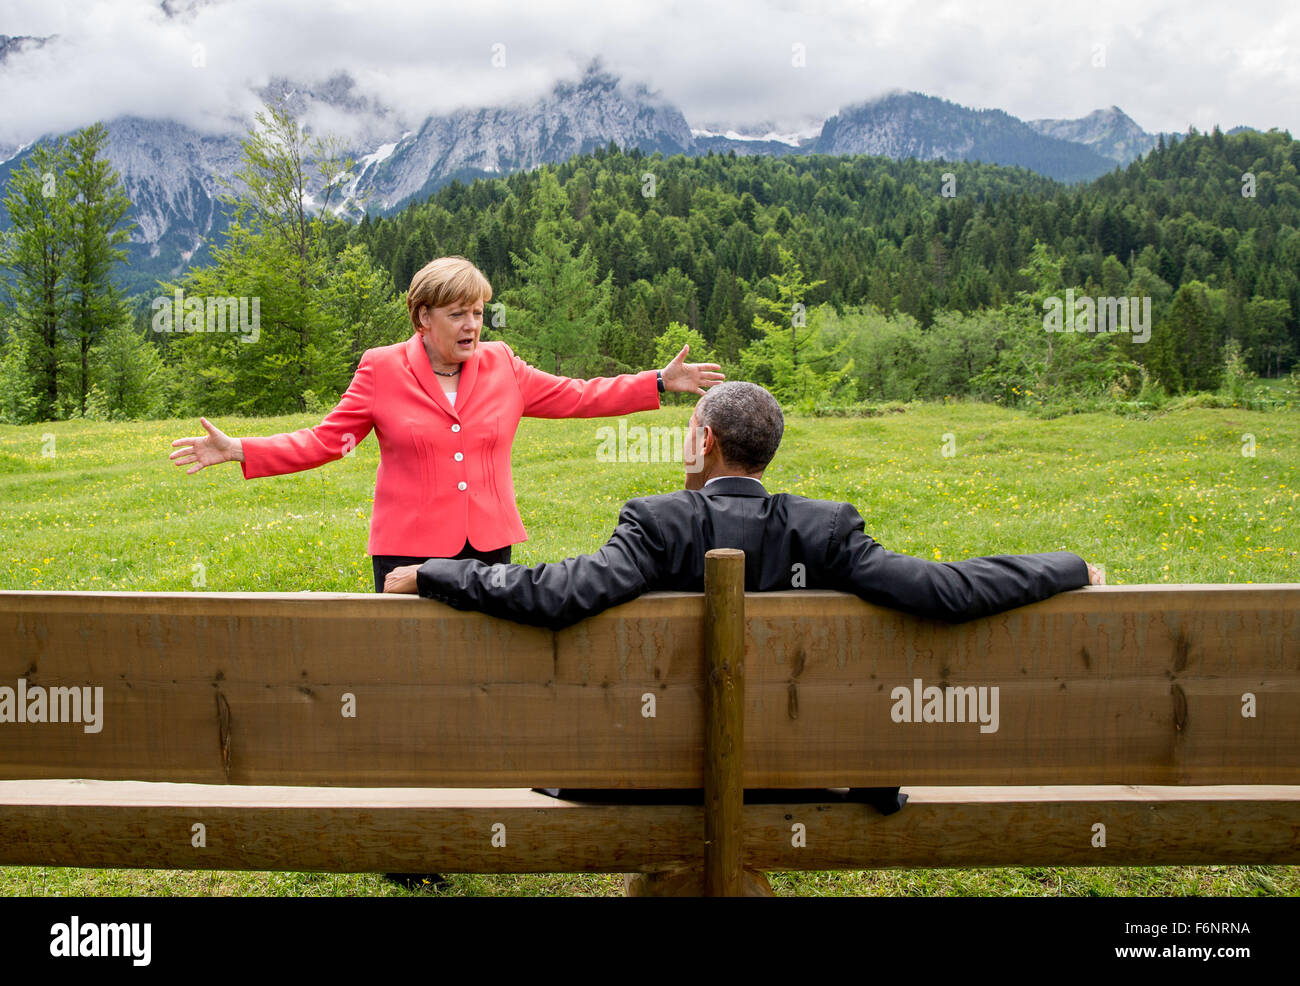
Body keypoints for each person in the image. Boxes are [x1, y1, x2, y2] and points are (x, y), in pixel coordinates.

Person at [384, 380, 1104, 818]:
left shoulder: (657, 523)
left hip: (653, 779)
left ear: (705, 440)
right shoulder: (826, 529)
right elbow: (947, 590)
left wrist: (437, 573)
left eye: (688, 435)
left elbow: (557, 595)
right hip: (805, 775)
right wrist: (1068, 566)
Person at [168, 255, 724, 594]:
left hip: (488, 545)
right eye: (458, 314)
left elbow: (576, 396)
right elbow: (326, 441)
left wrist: (655, 382)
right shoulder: (381, 368)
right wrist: (241, 449)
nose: (472, 325)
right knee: (409, 666)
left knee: (482, 662)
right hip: (406, 548)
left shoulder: (503, 363)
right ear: (423, 317)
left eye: (478, 313)